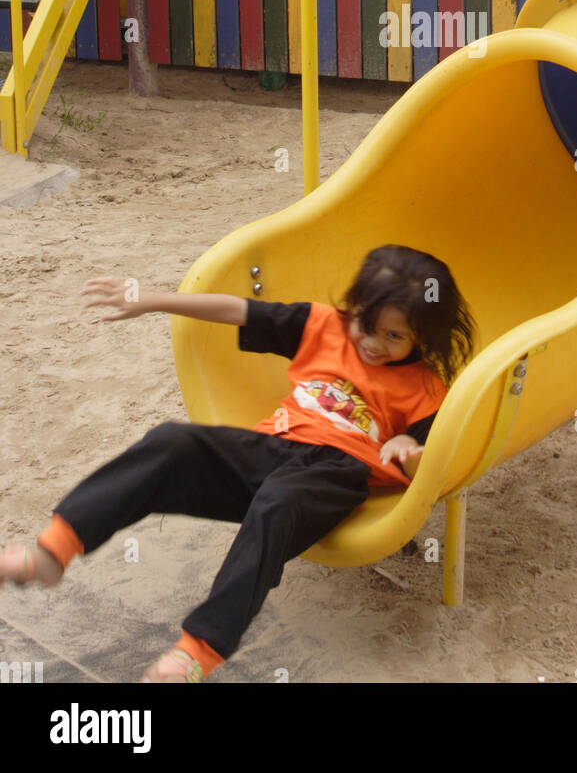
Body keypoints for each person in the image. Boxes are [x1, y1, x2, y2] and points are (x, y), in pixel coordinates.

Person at [0, 244, 475, 683]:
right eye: (367, 326)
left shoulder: (426, 389)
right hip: (270, 448)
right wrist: (153, 299)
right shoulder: (324, 326)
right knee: (172, 442)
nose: (373, 343)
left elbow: (430, 469)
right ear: (354, 309)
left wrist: (406, 450)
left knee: (277, 501)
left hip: (335, 472)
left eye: (395, 336)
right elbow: (239, 310)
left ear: (423, 337)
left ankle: (197, 652)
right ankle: (53, 551)